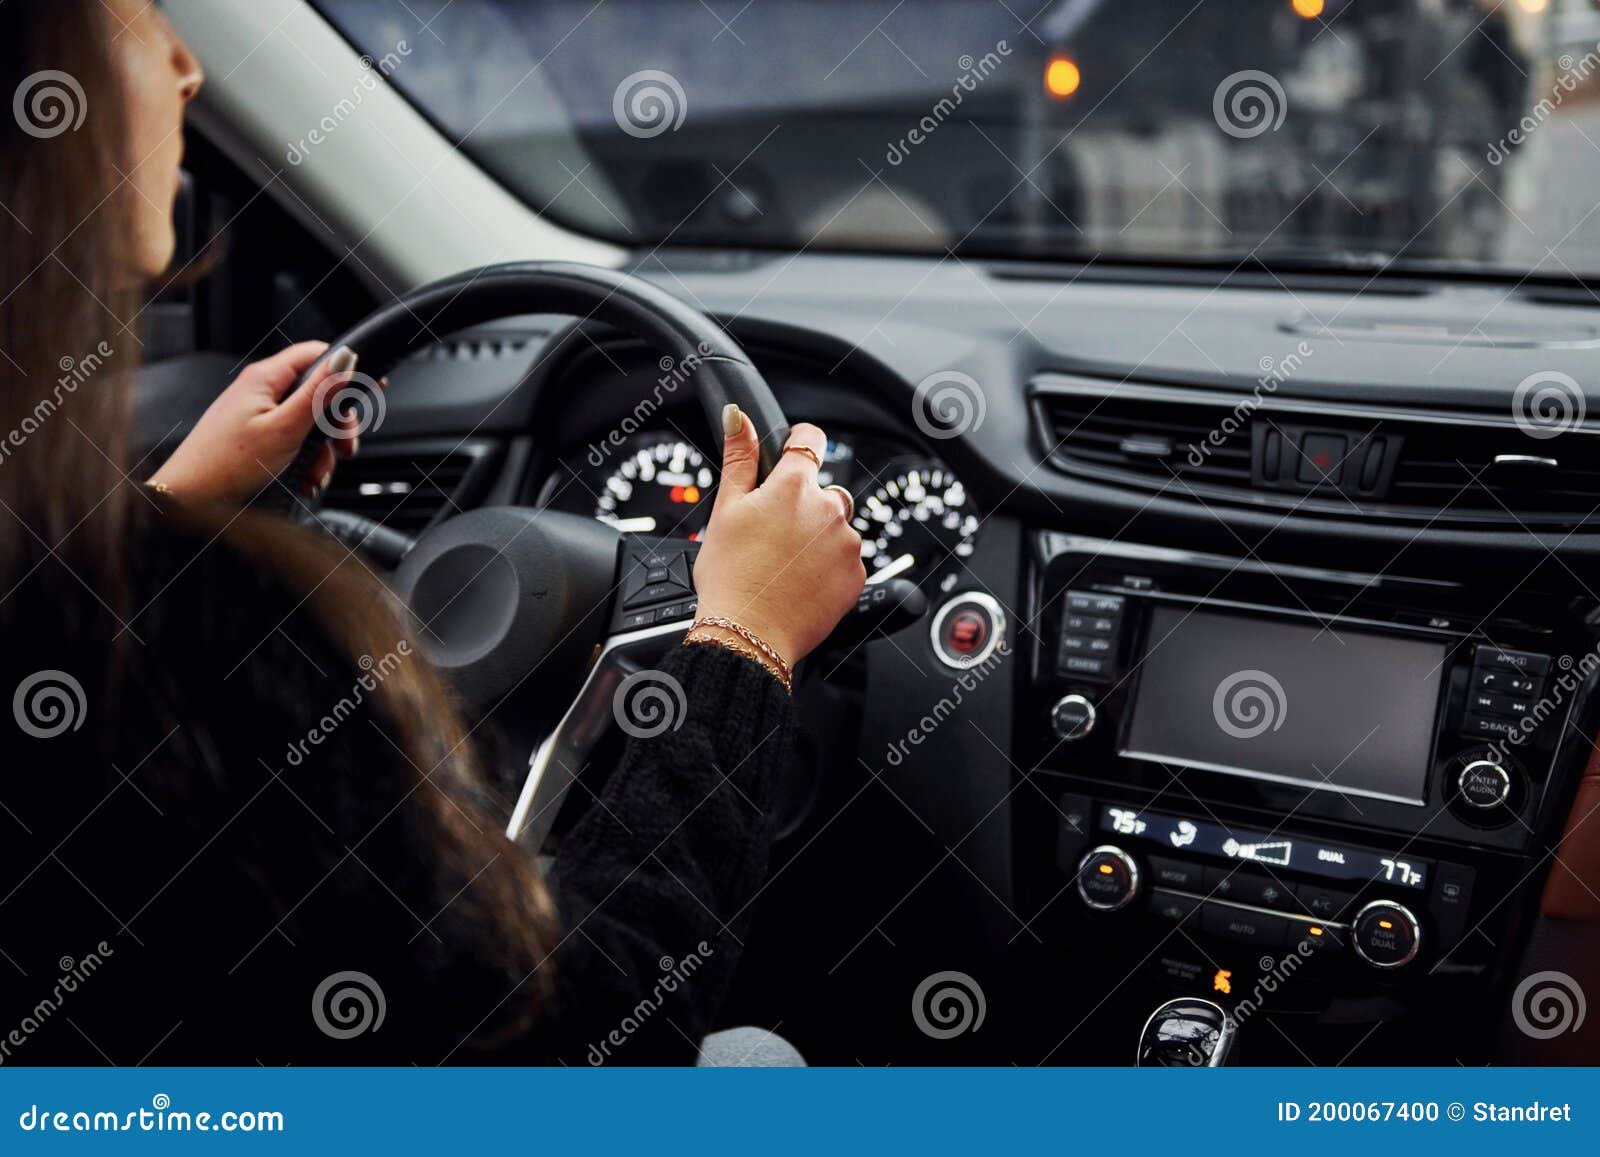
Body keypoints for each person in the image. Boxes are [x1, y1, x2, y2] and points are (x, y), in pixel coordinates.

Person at [0, 0, 864, 1064]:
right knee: (756, 1064)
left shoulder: (86, 601)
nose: (187, 66)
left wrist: (172, 508)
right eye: (132, 19)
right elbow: (569, 1038)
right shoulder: (211, 637)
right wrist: (744, 641)